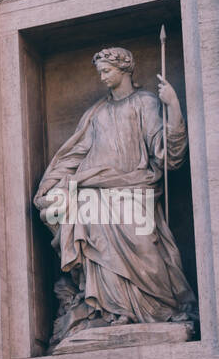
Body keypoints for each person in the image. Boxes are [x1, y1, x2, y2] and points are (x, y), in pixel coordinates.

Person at [33, 46, 196, 338]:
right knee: (91, 236)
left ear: (125, 70)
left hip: (135, 189)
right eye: (99, 72)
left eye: (107, 71)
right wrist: (51, 186)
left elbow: (167, 153)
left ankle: (161, 309)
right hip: (95, 191)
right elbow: (74, 154)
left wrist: (172, 106)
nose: (102, 77)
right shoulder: (96, 113)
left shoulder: (145, 103)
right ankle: (111, 310)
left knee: (146, 250)